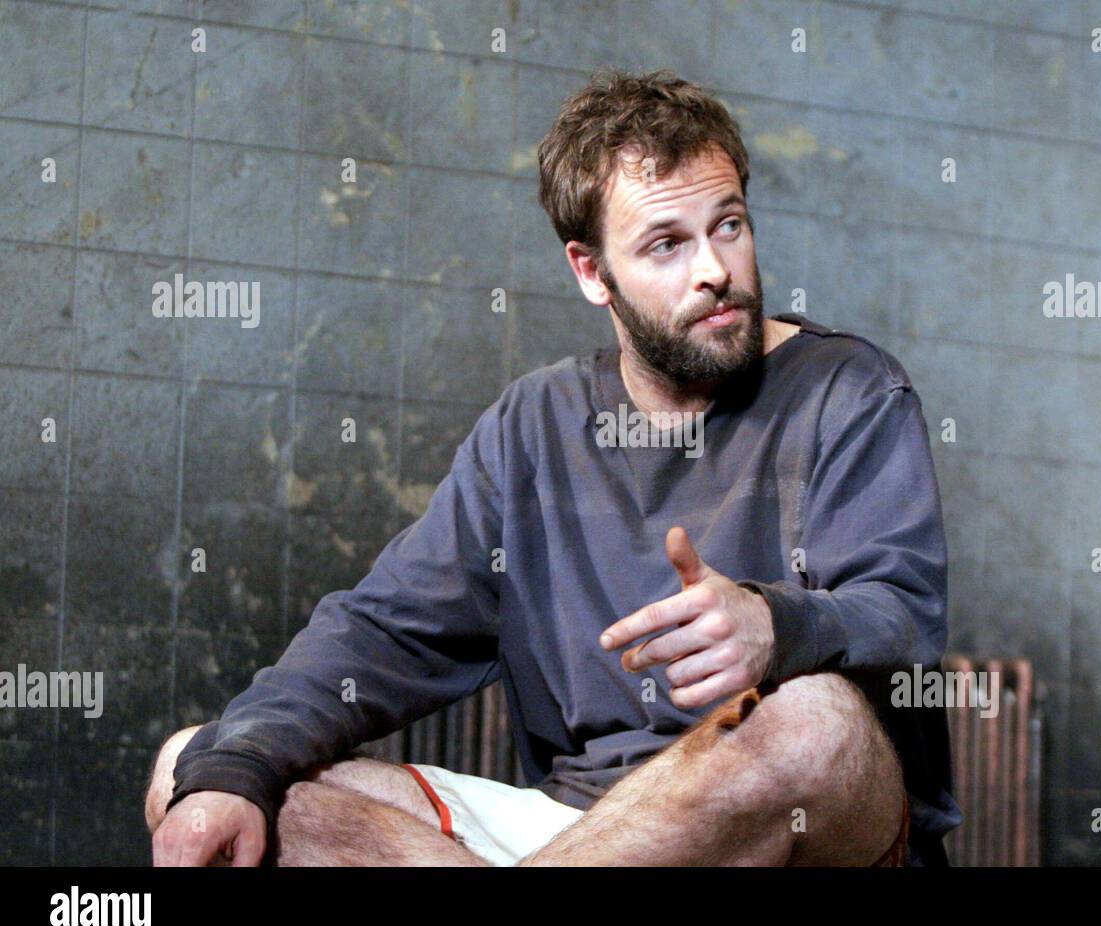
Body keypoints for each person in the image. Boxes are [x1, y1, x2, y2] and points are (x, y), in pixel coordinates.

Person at [146, 68, 962, 867]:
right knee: (200, 768)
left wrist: (777, 625)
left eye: (729, 226)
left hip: (801, 821)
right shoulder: (532, 426)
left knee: (813, 721)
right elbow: (383, 630)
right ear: (589, 271)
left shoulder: (850, 390)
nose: (714, 268)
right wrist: (235, 770)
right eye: (667, 244)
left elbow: (904, 621)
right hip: (581, 829)